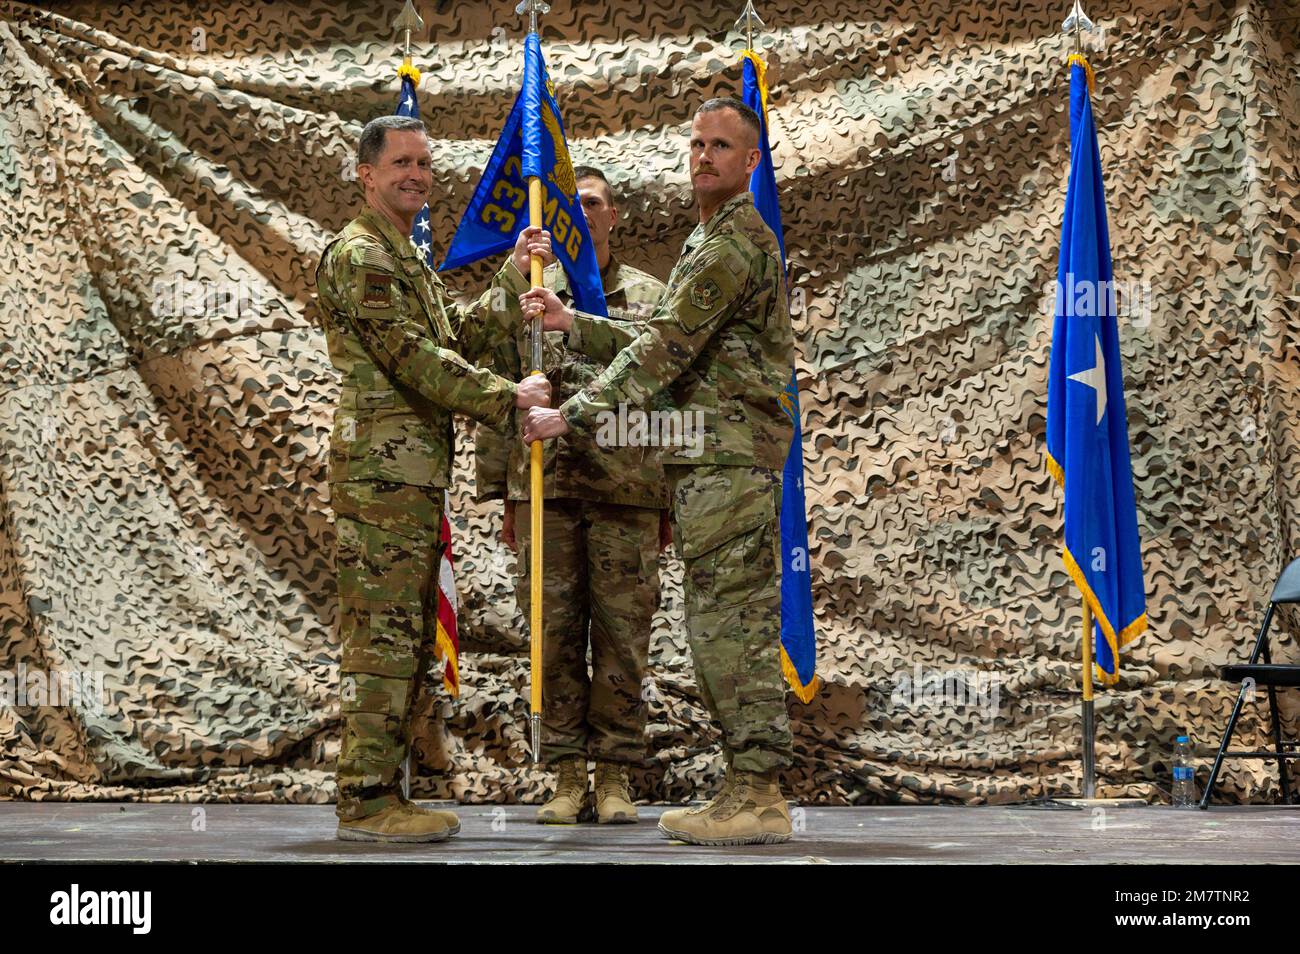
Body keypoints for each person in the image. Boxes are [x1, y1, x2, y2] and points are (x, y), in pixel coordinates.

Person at [519, 99, 798, 846]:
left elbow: (660, 352)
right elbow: (661, 329)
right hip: (710, 460)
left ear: (750, 163)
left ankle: (761, 794)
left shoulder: (733, 243)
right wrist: (573, 323)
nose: (704, 156)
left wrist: (567, 416)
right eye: (697, 143)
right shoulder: (708, 239)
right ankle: (744, 786)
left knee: (731, 632)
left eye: (722, 146)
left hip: (728, 461)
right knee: (716, 631)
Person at [316, 114, 553, 843]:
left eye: (424, 163)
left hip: (411, 475)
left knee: (411, 636)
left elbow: (455, 335)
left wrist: (514, 272)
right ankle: (364, 799)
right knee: (381, 639)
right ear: (366, 174)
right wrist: (503, 398)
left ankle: (390, 791)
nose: (416, 175)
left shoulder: (405, 257)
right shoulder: (363, 255)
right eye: (401, 164)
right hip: (382, 478)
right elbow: (414, 359)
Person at [474, 166, 669, 825]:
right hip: (546, 489)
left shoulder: (649, 294)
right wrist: (504, 493)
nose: (583, 214)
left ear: (614, 215)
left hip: (629, 492)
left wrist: (667, 501)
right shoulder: (531, 292)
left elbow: (668, 387)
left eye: (594, 203)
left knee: (623, 640)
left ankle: (613, 777)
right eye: (573, 204)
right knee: (552, 638)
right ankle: (564, 776)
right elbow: (501, 383)